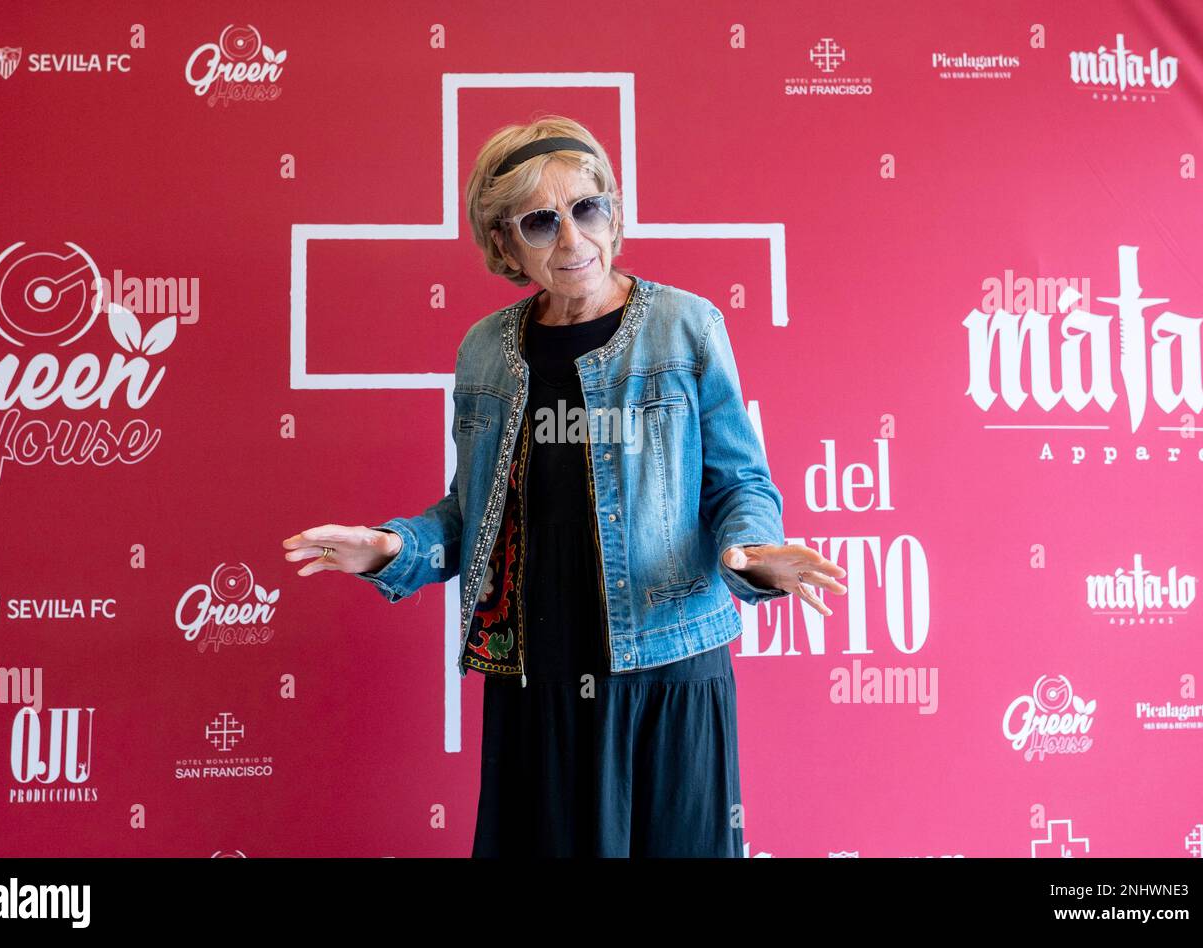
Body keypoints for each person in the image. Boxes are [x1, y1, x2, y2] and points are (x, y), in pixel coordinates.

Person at [282, 115, 847, 857]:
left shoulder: (687, 327)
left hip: (665, 669)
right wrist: (392, 547)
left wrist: (750, 548)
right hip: (533, 678)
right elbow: (473, 514)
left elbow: (739, 480)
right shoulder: (484, 349)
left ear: (613, 209)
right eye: (540, 222)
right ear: (505, 244)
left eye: (588, 207)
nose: (574, 239)